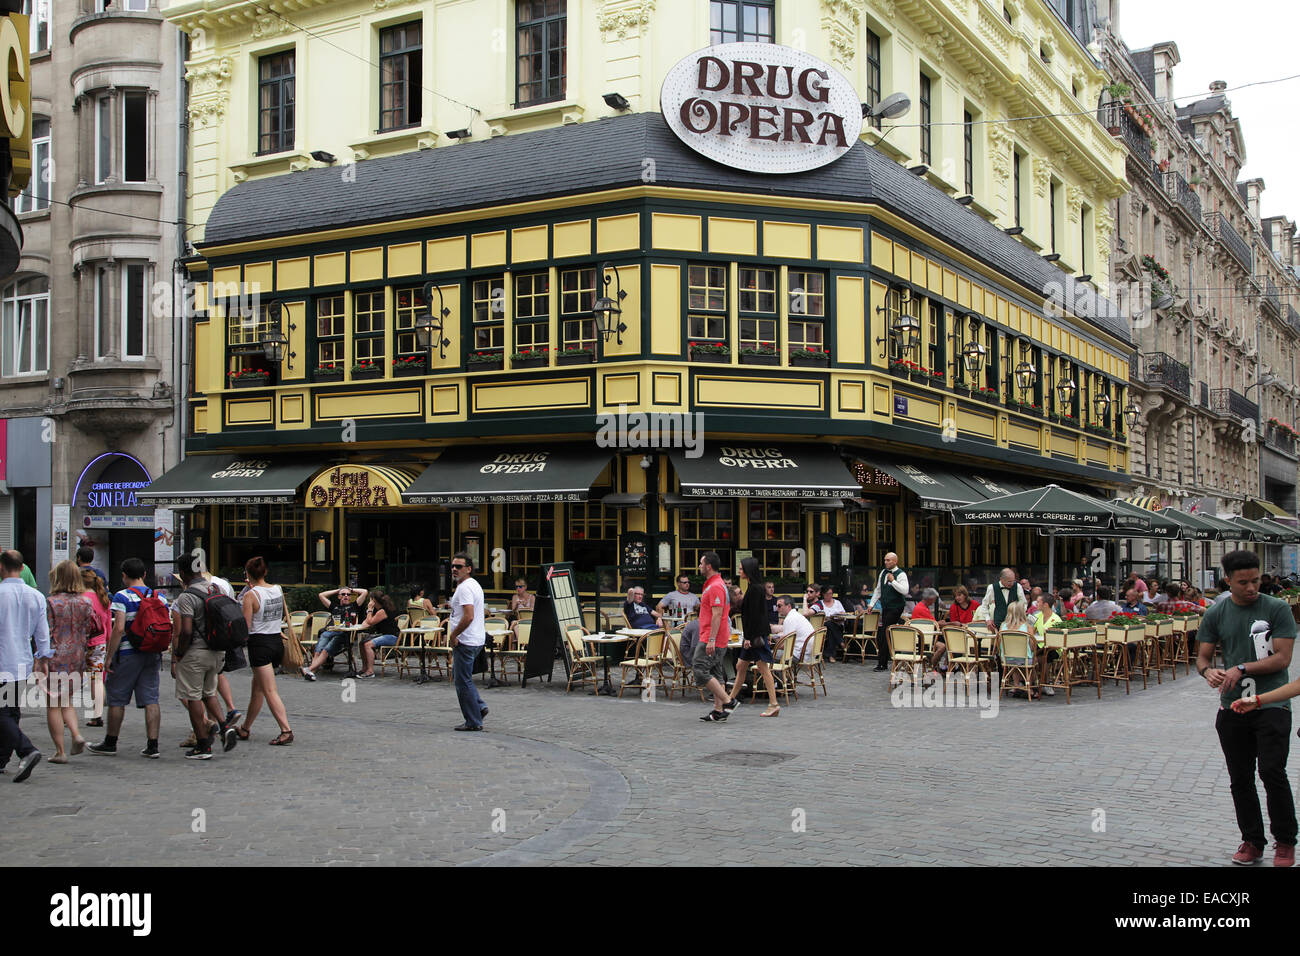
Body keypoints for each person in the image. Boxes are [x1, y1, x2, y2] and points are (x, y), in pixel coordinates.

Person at [1199, 550, 1298, 866]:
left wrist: (1241, 667)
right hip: (1232, 708)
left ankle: (1285, 842)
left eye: (1256, 580)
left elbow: (1283, 659)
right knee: (1240, 778)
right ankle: (1252, 840)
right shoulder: (1216, 613)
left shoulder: (1277, 609)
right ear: (1227, 580)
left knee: (1272, 771)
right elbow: (1202, 657)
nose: (1252, 587)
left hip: (1273, 703)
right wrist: (1208, 672)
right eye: (1243, 582)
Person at [89, 558, 168, 758]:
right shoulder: (160, 597)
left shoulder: (122, 597)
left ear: (124, 575)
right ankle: (153, 745)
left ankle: (110, 742)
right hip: (152, 653)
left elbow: (119, 628)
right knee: (151, 698)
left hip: (127, 653)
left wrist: (109, 656)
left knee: (117, 698)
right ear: (144, 575)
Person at [171, 561, 237, 759]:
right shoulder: (215, 588)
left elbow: (186, 630)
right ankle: (225, 727)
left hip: (195, 653)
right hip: (217, 651)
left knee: (193, 697)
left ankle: (203, 744)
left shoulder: (187, 596)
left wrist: (178, 654)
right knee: (209, 693)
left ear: (183, 574)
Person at [42, 561, 99, 764]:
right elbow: (92, 628)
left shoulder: (52, 602)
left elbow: (46, 633)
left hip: (56, 657)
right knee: (66, 701)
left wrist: (40, 660)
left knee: (52, 705)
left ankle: (60, 751)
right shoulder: (86, 602)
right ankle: (76, 734)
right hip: (77, 656)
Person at [0, 550, 50, 780]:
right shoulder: (36, 596)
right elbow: (42, 633)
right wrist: (43, 659)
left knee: (3, 713)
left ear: (2, 567)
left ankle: (25, 749)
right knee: (11, 710)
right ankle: (2, 757)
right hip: (23, 660)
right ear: (22, 568)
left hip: (3, 660)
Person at [233, 557, 294, 746]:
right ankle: (245, 727)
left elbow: (246, 625)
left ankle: (286, 730)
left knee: (269, 690)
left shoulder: (251, 596)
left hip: (259, 644)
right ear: (265, 572)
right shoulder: (277, 589)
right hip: (276, 640)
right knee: (257, 689)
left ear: (247, 574)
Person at [721, 557, 780, 718]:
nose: (739, 571)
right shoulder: (754, 588)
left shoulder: (755, 589)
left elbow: (754, 616)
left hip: (755, 636)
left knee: (763, 669)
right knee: (740, 666)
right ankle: (730, 700)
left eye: (741, 568)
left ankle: (773, 704)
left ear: (748, 570)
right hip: (756, 634)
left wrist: (748, 638)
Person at [447, 551, 488, 732]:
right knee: (461, 677)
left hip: (466, 640)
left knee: (462, 681)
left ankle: (473, 720)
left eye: (459, 567)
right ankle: (479, 706)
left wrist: (454, 635)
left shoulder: (464, 588)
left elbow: (469, 616)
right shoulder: (473, 585)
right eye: (453, 566)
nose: (454, 569)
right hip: (475, 638)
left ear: (469, 569)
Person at [301, 585, 368, 681]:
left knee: (325, 650)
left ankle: (309, 670)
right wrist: (337, 590)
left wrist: (351, 589)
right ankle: (311, 672)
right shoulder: (334, 606)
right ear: (339, 596)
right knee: (318, 650)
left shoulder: (354, 605)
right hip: (329, 632)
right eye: (343, 594)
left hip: (343, 634)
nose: (346, 596)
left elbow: (365, 591)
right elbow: (321, 595)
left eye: (348, 594)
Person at [695, 552, 733, 722]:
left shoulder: (716, 586)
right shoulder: (714, 584)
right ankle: (718, 711)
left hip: (712, 638)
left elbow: (717, 615)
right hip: (715, 636)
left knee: (699, 668)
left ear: (708, 566)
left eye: (701, 563)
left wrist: (711, 639)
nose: (699, 566)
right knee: (716, 672)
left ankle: (727, 701)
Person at [80, 568, 111, 728]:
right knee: (96, 679)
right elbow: (107, 626)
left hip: (81, 644)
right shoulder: (103, 598)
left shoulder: (80, 599)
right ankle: (97, 715)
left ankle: (64, 713)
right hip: (99, 643)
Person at [869, 552, 909, 671]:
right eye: (885, 560)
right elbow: (878, 590)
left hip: (896, 607)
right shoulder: (883, 572)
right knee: (886, 632)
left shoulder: (901, 574)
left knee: (885, 632)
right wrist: (871, 604)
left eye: (888, 560)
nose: (886, 562)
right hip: (886, 607)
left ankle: (882, 663)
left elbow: (905, 591)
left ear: (895, 561)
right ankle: (886, 660)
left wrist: (893, 581)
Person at [357, 588, 401, 678]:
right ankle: (364, 668)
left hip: (393, 637)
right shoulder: (378, 610)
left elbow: (370, 622)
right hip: (385, 635)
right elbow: (366, 623)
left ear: (374, 600)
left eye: (370, 599)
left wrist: (369, 609)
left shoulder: (382, 611)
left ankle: (370, 671)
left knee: (367, 645)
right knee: (362, 643)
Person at [998, 600, 1035, 698]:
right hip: (1024, 658)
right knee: (1034, 660)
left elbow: (999, 642)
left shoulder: (1003, 626)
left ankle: (1016, 685)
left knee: (1014, 663)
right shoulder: (1027, 627)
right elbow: (1032, 645)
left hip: (1007, 658)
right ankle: (1029, 688)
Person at [774, 594, 816, 663]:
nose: (777, 608)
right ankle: (781, 673)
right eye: (776, 606)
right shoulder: (796, 615)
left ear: (789, 606)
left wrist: (774, 641)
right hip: (808, 654)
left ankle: (775, 673)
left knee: (767, 655)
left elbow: (786, 645)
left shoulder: (789, 619)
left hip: (799, 655)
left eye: (779, 606)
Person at [816, 584, 846, 662]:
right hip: (824, 626)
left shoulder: (837, 602)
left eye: (831, 594)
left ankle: (831, 655)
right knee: (829, 625)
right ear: (823, 594)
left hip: (837, 625)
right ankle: (841, 642)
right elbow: (818, 616)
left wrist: (839, 616)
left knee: (830, 629)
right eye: (827, 594)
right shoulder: (820, 603)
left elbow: (844, 614)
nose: (830, 596)